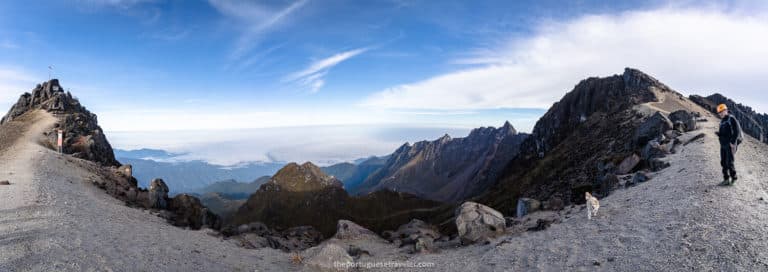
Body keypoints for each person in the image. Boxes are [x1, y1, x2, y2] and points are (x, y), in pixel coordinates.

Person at [715, 104, 742, 186]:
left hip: (730, 145)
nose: (721, 114)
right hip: (723, 145)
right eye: (719, 112)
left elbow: (736, 131)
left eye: (722, 111)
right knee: (723, 162)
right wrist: (719, 134)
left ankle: (734, 178)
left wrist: (732, 142)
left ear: (726, 110)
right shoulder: (722, 121)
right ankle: (726, 179)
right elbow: (724, 133)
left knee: (729, 162)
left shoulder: (731, 119)